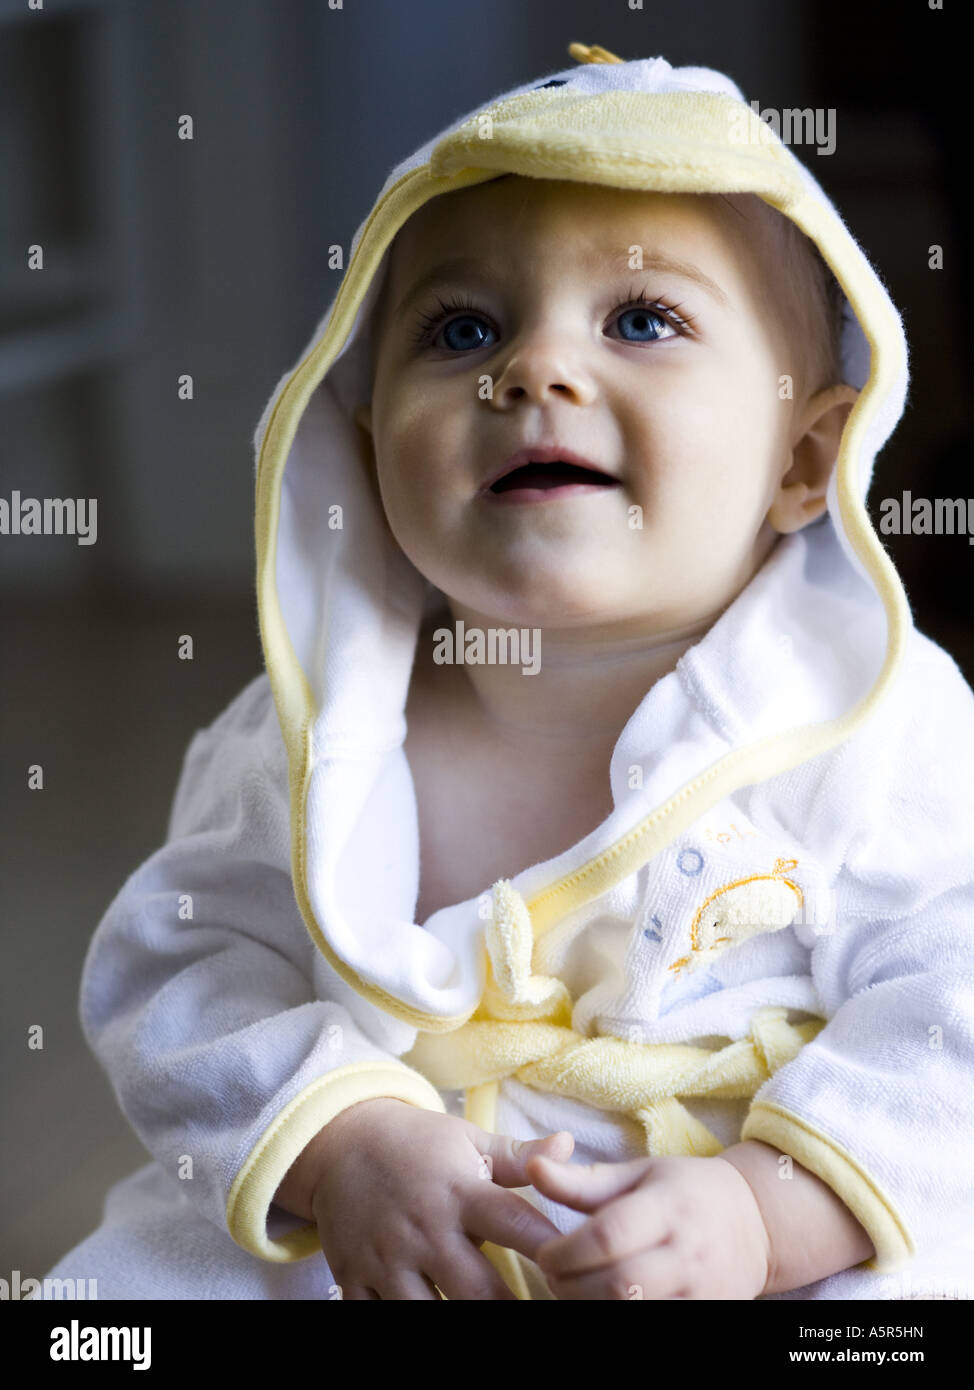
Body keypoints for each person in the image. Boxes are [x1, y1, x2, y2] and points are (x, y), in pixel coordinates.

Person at [40, 42, 974, 1301]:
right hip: (387, 1237)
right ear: (365, 443)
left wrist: (768, 1211)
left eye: (643, 319)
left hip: (734, 1234)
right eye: (462, 327)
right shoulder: (311, 731)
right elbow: (178, 971)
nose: (530, 370)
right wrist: (344, 1141)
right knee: (113, 1306)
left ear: (806, 458)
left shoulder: (868, 723)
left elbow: (949, 1013)